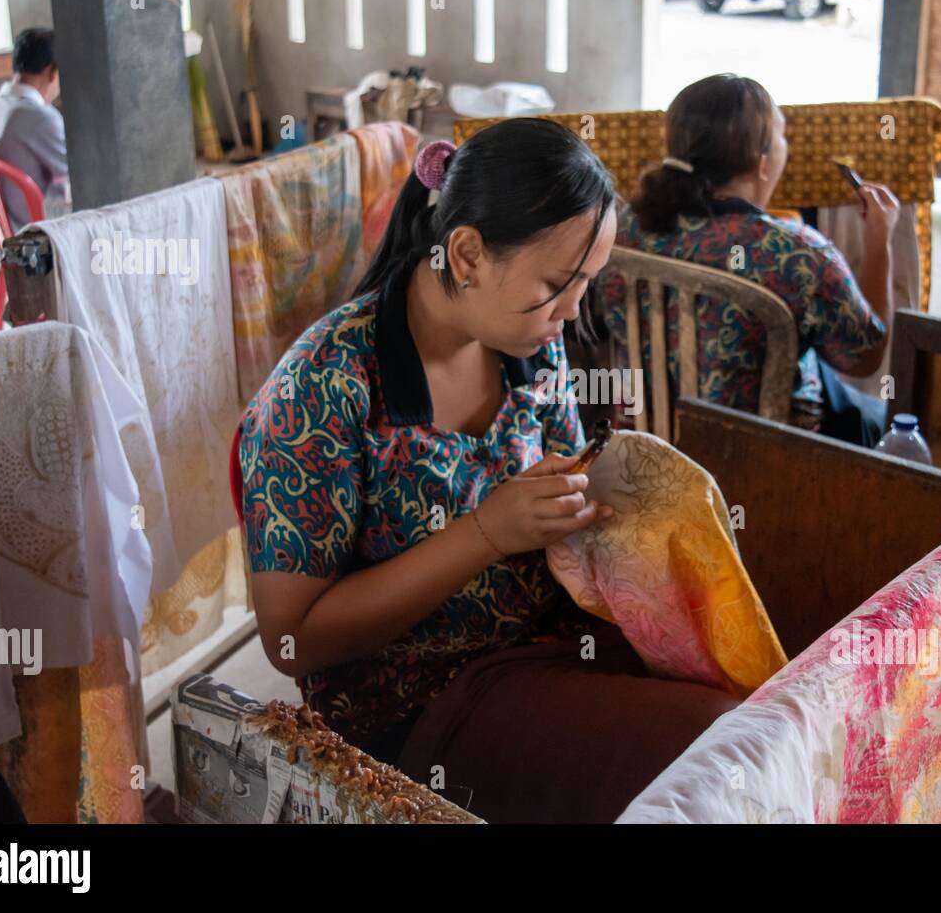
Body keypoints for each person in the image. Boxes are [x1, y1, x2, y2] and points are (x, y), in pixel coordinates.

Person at [237, 120, 741, 823]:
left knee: (745, 726)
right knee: (707, 752)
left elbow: (565, 490)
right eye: (557, 285)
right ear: (468, 253)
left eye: (585, 286)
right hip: (418, 708)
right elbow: (293, 641)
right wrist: (486, 533)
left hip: (550, 651)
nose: (570, 315)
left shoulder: (528, 349)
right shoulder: (325, 387)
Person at [601, 74, 900, 447]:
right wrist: (878, 243)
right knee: (884, 422)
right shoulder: (796, 254)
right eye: (782, 135)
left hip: (647, 444)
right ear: (762, 161)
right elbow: (864, 356)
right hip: (763, 459)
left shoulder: (622, 228)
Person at [0, 27, 69, 231]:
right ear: (53, 73)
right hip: (42, 237)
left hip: (6, 237)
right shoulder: (40, 118)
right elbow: (79, 181)